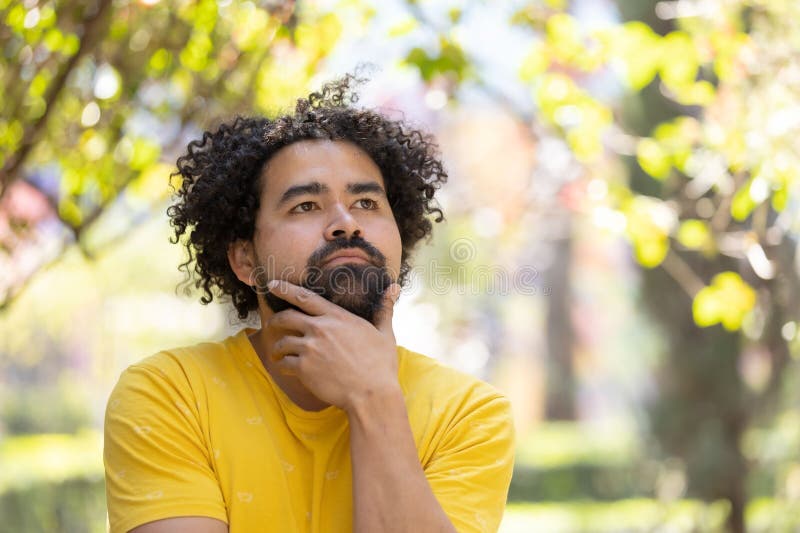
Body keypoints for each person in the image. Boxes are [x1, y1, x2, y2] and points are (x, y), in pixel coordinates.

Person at [103, 75, 515, 533]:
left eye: (365, 202)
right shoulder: (170, 395)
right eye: (305, 206)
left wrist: (373, 397)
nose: (346, 224)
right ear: (245, 259)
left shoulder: (469, 415)